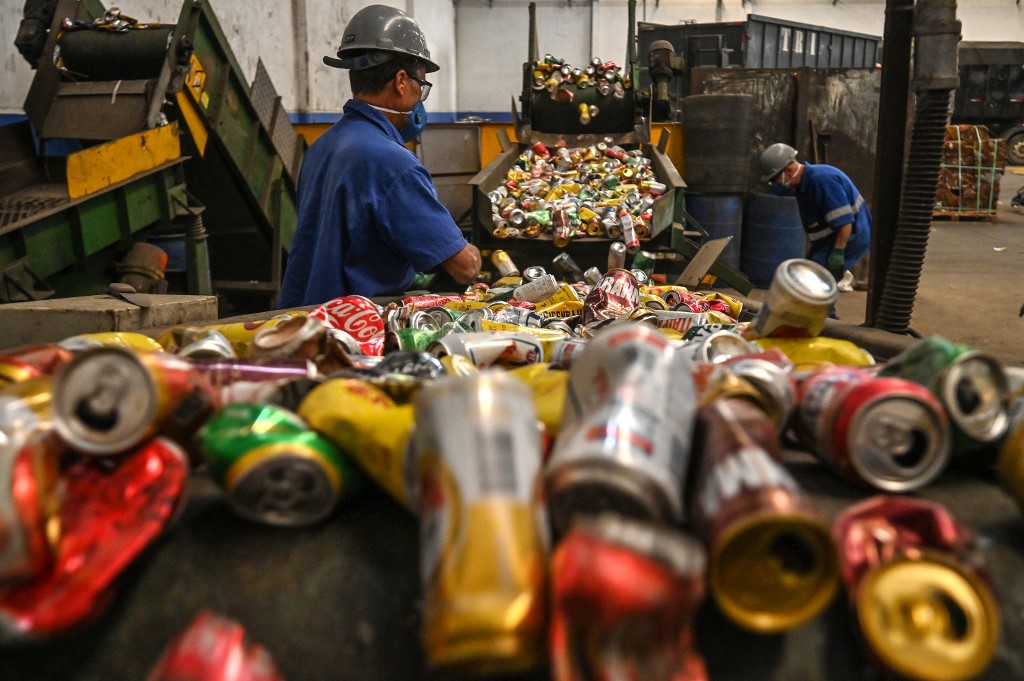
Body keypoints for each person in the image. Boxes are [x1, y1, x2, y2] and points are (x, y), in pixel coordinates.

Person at [279, 5, 481, 307]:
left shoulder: (321, 147)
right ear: (401, 81)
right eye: (421, 86)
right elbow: (464, 268)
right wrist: (475, 255)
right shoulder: (393, 163)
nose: (419, 101)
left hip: (305, 318)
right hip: (356, 329)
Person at [758, 142, 871, 288]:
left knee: (813, 286)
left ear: (790, 170)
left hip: (850, 236)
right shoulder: (804, 185)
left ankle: (822, 309)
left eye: (775, 179)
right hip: (827, 240)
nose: (775, 183)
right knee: (807, 280)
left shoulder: (823, 181)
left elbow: (845, 223)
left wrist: (837, 253)